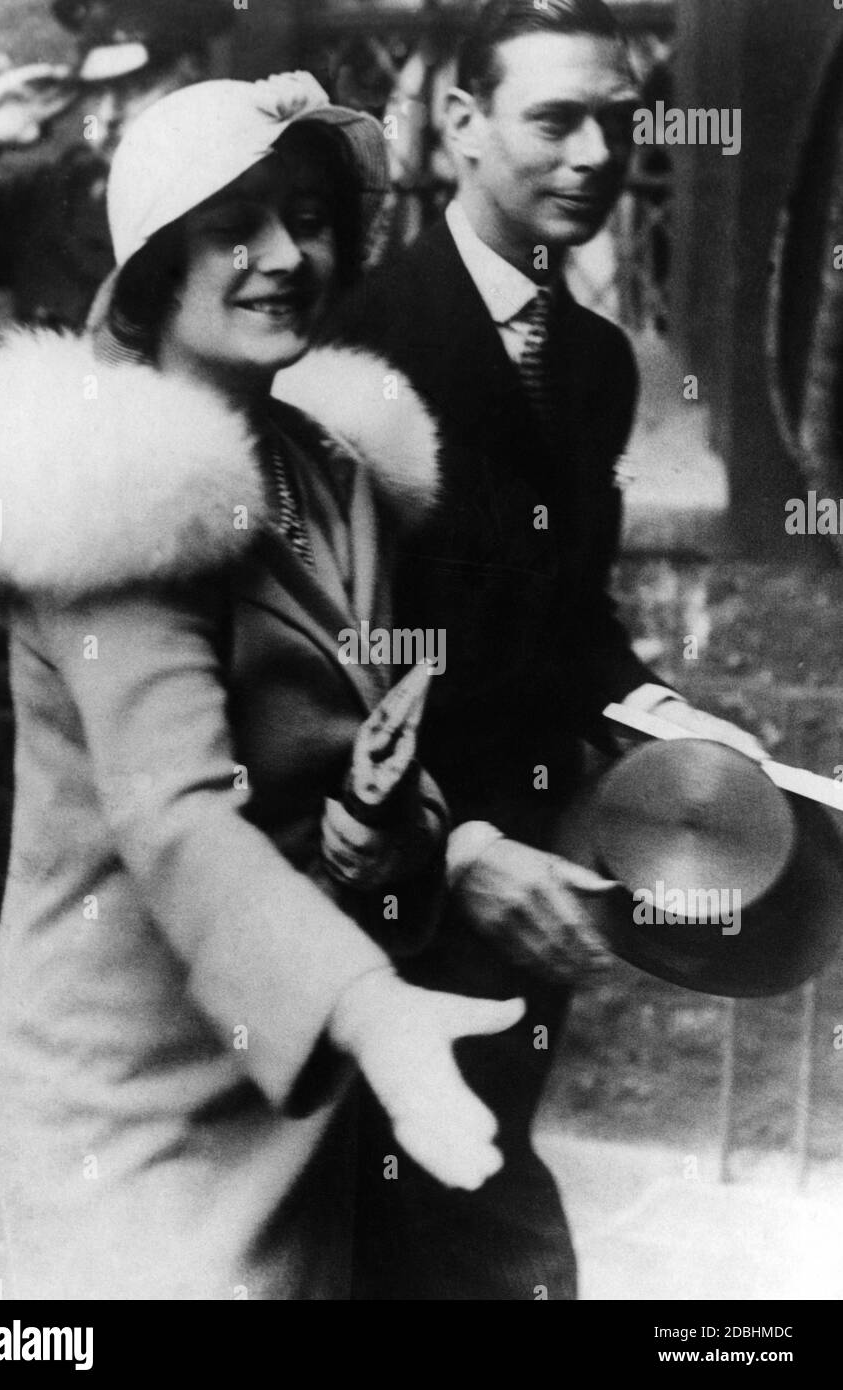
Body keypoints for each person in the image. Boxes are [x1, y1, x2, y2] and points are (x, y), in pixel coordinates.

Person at [0, 74, 528, 1300]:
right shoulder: (110, 496)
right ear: (156, 262)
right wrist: (370, 1010)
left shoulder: (325, 465)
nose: (287, 256)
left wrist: (384, 827)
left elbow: (342, 751)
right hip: (135, 1086)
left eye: (311, 216)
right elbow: (176, 817)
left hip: (279, 1052)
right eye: (237, 224)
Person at [340, 0, 765, 1300]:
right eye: (557, 118)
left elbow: (566, 613)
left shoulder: (590, 361)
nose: (595, 155)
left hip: (532, 883)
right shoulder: (352, 341)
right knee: (447, 1224)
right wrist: (448, 844)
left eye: (618, 122)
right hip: (373, 883)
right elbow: (312, 663)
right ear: (460, 125)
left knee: (458, 1191)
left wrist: (662, 712)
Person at [0, 0, 229, 329]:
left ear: (193, 75)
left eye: (135, 88)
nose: (108, 117)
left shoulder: (254, 201)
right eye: (97, 92)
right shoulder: (60, 198)